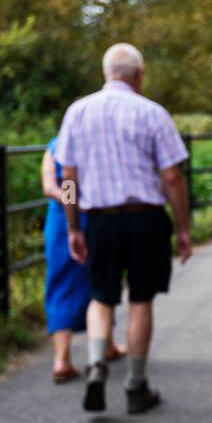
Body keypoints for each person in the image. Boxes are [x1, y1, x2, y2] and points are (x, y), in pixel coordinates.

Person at [54, 43, 192, 414]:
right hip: (145, 218)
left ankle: (97, 365)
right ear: (139, 76)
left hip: (99, 220)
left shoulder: (78, 112)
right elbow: (172, 176)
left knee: (101, 297)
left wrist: (73, 227)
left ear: (105, 74)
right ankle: (135, 385)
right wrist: (183, 228)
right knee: (140, 300)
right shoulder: (152, 113)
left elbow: (67, 176)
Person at [41, 140, 125, 381]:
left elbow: (50, 187)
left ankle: (61, 360)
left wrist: (69, 201)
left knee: (60, 284)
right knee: (104, 280)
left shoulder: (56, 146)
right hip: (96, 217)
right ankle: (106, 346)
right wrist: (81, 203)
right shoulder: (97, 141)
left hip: (60, 221)